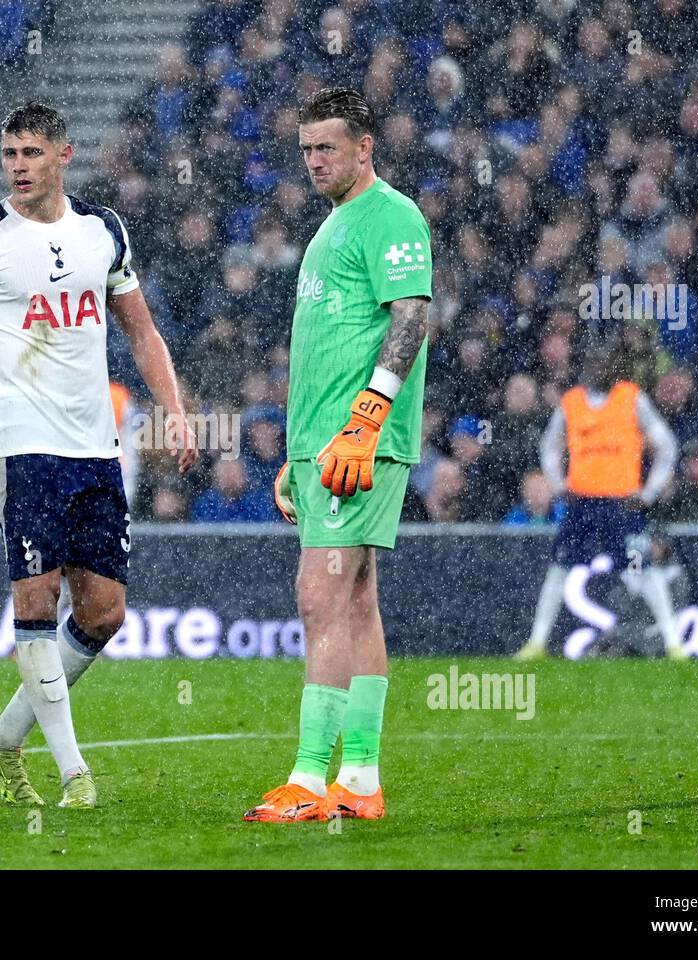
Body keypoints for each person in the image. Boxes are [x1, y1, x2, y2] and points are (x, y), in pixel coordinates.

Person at [0, 101, 197, 810]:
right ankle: (74, 773)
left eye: (32, 153)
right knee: (36, 601)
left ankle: (0, 741)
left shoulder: (104, 231)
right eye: (9, 155)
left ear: (63, 155)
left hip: (94, 448)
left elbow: (144, 333)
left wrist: (177, 413)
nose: (19, 167)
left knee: (104, 615)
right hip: (21, 445)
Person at [246, 88, 431, 823]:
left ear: (366, 146)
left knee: (319, 598)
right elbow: (329, 350)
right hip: (326, 448)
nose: (315, 161)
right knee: (355, 604)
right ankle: (358, 778)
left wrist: (365, 418)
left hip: (357, 446)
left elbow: (412, 315)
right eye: (307, 150)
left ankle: (308, 780)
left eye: (328, 147)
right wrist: (297, 450)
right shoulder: (334, 226)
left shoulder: (390, 215)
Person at [514, 340, 685, 661]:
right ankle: (536, 644)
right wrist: (557, 483)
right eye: (593, 361)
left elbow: (667, 447)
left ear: (617, 366)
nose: (599, 368)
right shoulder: (572, 403)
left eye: (606, 361)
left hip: (622, 505)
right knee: (560, 566)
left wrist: (648, 493)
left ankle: (674, 644)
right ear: (585, 366)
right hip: (583, 504)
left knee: (643, 569)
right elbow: (549, 445)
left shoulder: (632, 400)